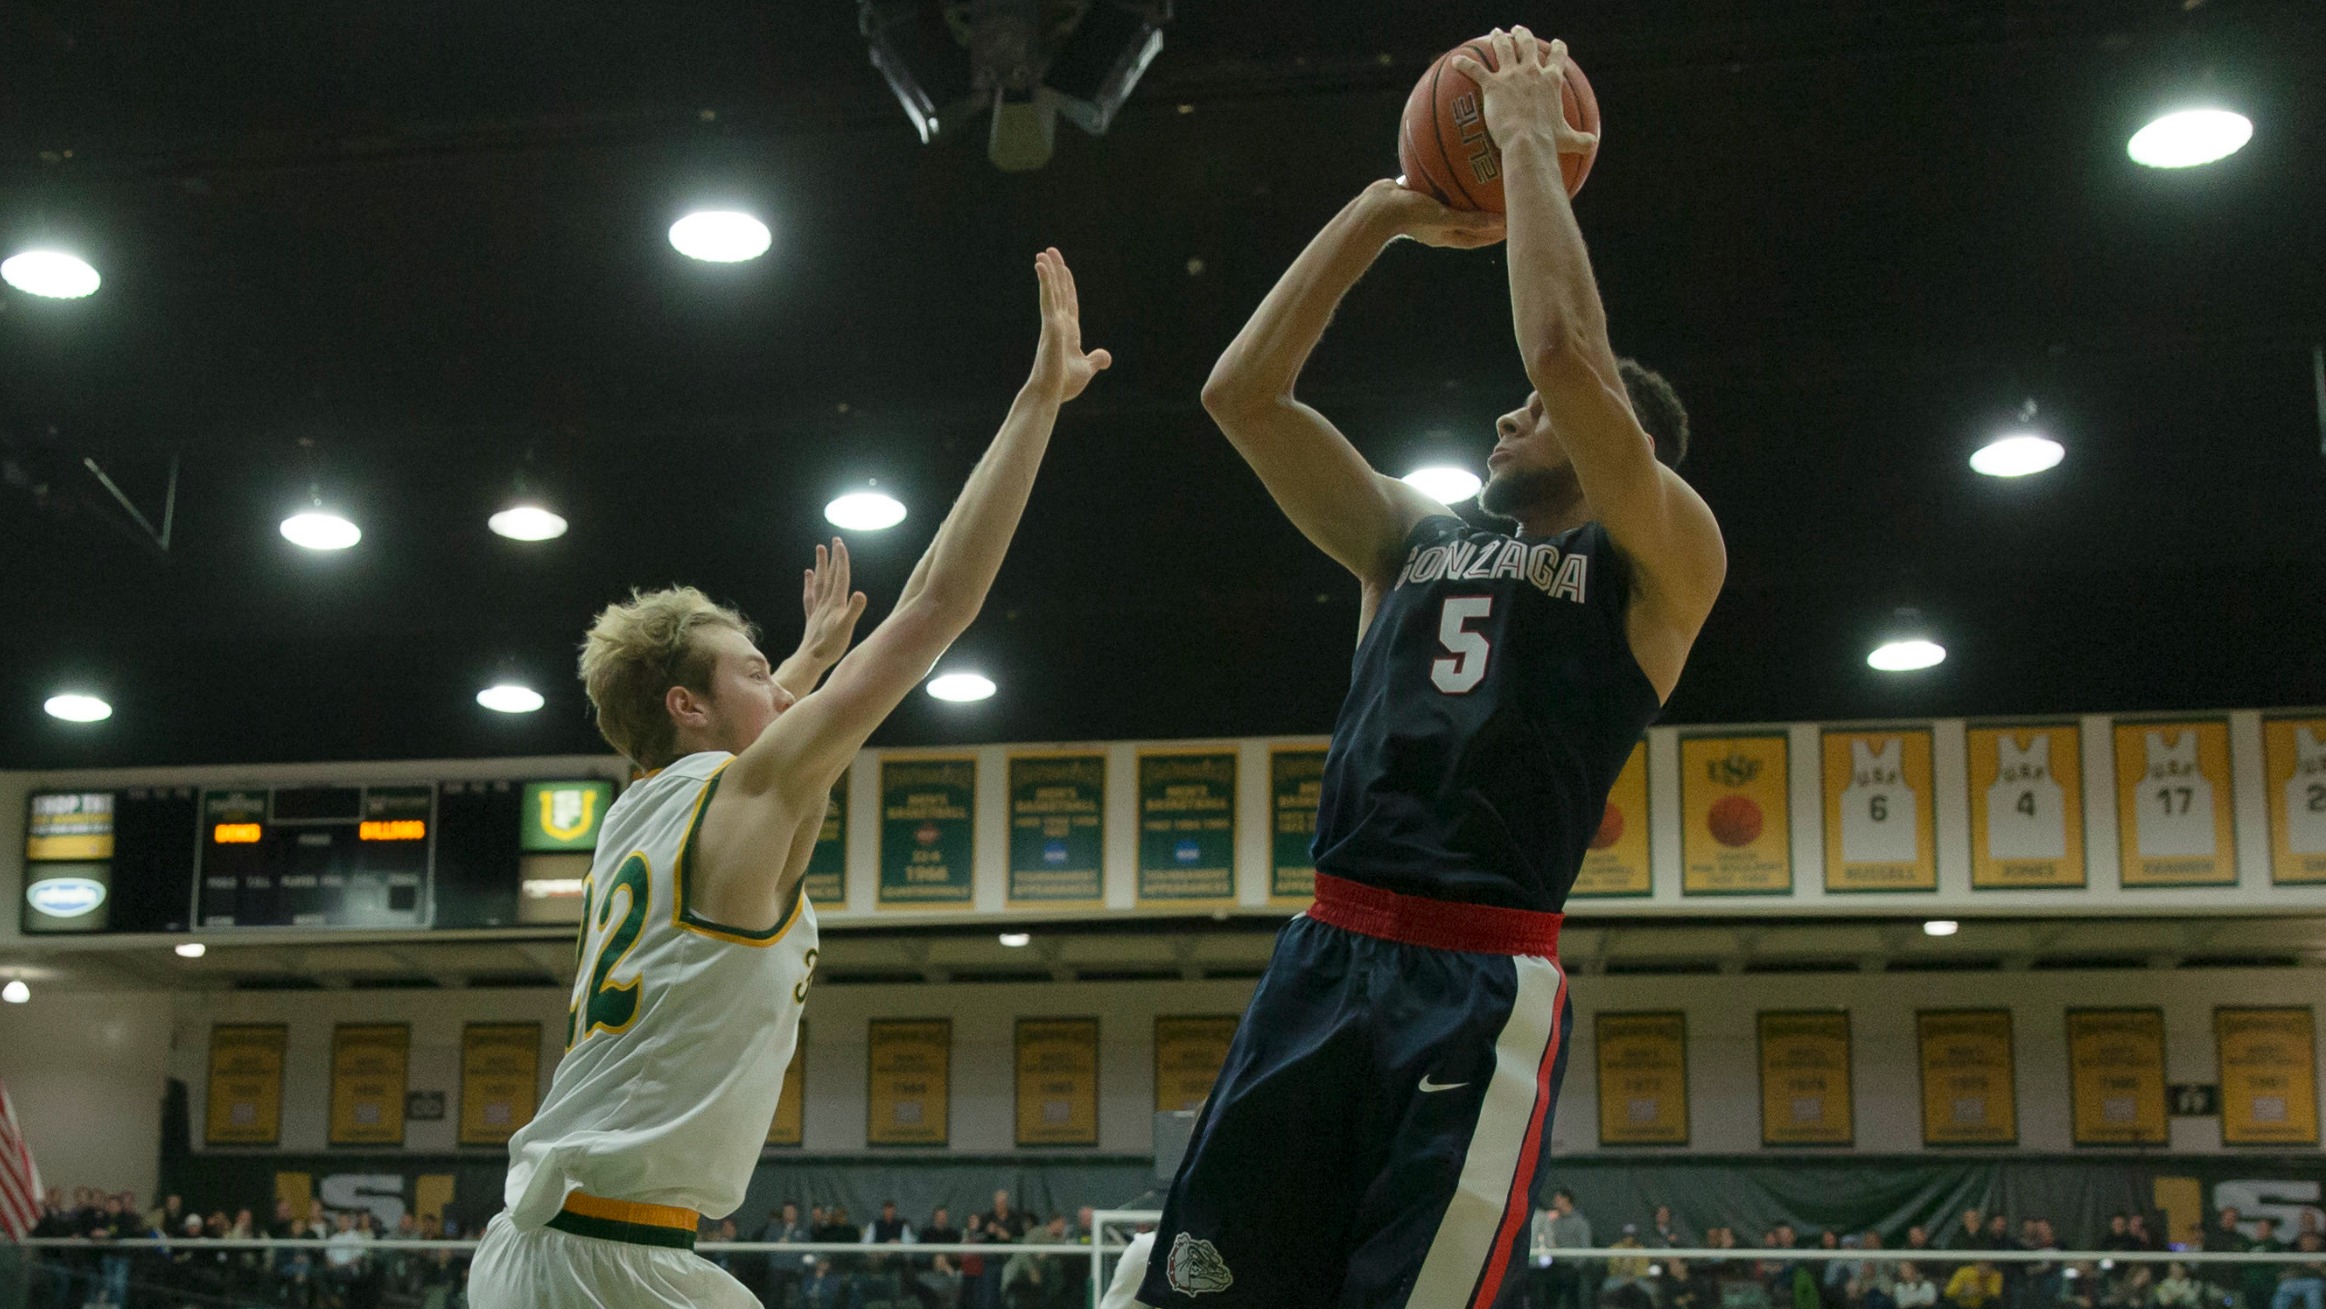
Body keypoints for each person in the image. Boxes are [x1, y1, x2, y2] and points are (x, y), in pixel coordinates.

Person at [1103, 28, 1723, 1309]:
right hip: (1323, 952)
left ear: (1631, 448)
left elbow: (1563, 354)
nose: (1507, 410)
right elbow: (1242, 395)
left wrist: (1529, 150)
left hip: (1476, 981)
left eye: (1537, 413)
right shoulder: (1410, 535)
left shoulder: (1665, 555)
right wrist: (1383, 212)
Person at [467, 248, 1112, 1309]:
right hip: (613, 1266)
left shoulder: (634, 811)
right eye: (756, 673)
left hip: (537, 1248)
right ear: (684, 704)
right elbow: (934, 610)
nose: (786, 692)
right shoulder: (748, 797)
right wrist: (1037, 403)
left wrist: (797, 660)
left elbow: (728, 743)